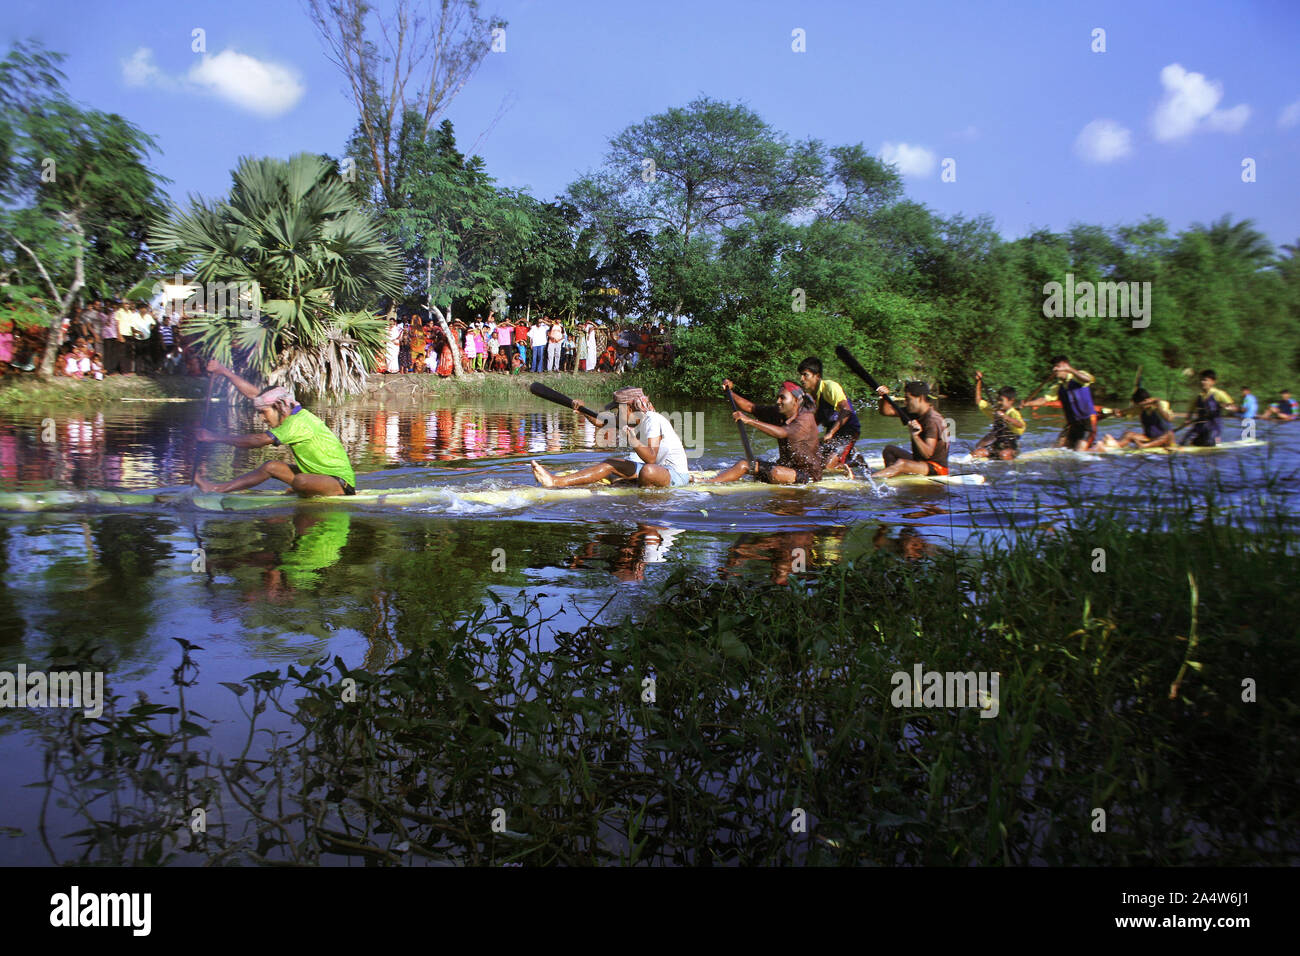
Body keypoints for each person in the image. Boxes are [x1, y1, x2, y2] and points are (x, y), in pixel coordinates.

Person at [194, 360, 356, 497]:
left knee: (301, 481)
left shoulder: (297, 422)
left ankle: (307, 490)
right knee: (271, 467)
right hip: (317, 477)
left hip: (340, 484)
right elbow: (255, 396)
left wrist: (213, 437)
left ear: (278, 407)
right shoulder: (288, 410)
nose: (262, 418)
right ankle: (217, 489)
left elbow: (258, 440)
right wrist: (224, 371)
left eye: (263, 413)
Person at [529, 386, 690, 488]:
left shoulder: (653, 419)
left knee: (647, 471)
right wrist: (582, 409)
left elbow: (651, 459)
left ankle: (634, 484)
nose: (616, 414)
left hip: (674, 474)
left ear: (629, 407)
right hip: (658, 470)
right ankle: (555, 481)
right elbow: (600, 421)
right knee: (610, 464)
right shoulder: (632, 419)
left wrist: (633, 440)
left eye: (618, 409)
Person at [705, 379, 823, 485]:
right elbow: (750, 407)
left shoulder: (806, 419)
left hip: (808, 476)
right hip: (784, 469)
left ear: (796, 400)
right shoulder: (779, 413)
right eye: (778, 397)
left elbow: (782, 432)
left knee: (776, 473)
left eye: (782, 398)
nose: (777, 401)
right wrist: (729, 392)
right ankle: (707, 483)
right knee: (744, 464)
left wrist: (749, 421)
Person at [797, 357, 861, 476]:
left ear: (817, 376)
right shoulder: (811, 395)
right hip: (833, 431)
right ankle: (851, 458)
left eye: (805, 375)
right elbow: (817, 418)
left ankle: (849, 465)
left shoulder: (830, 387)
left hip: (848, 431)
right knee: (813, 461)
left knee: (828, 467)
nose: (802, 379)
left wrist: (831, 433)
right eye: (801, 375)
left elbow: (846, 410)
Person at [872, 381, 950, 478]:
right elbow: (886, 412)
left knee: (902, 464)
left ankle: (867, 480)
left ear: (920, 398)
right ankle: (891, 475)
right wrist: (884, 397)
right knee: (889, 450)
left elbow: (928, 454)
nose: (905, 402)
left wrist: (915, 435)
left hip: (937, 468)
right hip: (919, 462)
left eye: (908, 399)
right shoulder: (913, 412)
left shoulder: (932, 420)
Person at [1023, 357, 1097, 451]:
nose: (1054, 369)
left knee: (1079, 452)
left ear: (1066, 366)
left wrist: (1070, 369)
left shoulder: (1078, 377)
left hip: (1087, 422)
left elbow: (1087, 379)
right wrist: (1028, 403)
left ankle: (1097, 448)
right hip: (1072, 423)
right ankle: (1093, 447)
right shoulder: (1058, 387)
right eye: (1054, 366)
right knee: (1058, 449)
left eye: (1057, 366)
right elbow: (1044, 400)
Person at [1099, 387, 1177, 450]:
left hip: (1165, 440)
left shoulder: (1162, 404)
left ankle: (1144, 446)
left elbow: (1169, 419)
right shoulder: (1140, 408)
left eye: (1140, 404)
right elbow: (1122, 414)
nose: (1140, 407)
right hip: (1149, 439)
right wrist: (1115, 412)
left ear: (1146, 400)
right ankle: (1116, 446)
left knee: (1169, 434)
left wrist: (1159, 407)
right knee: (1128, 434)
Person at [972, 371, 1025, 460]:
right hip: (997, 443)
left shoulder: (1013, 412)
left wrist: (1005, 417)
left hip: (1011, 446)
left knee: (1003, 455)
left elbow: (1020, 425)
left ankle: (1009, 460)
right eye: (997, 399)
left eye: (1001, 400)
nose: (998, 402)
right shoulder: (995, 410)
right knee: (976, 453)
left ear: (1011, 401)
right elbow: (978, 401)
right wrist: (979, 382)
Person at [1181, 370, 1236, 447]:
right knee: (1184, 442)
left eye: (1205, 380)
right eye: (1201, 380)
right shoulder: (1198, 396)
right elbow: (1191, 411)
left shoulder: (1219, 394)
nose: (1202, 382)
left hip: (1214, 426)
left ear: (1213, 382)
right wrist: (1187, 420)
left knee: (1209, 442)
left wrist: (1227, 407)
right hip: (1200, 425)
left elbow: (1233, 407)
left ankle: (1215, 441)